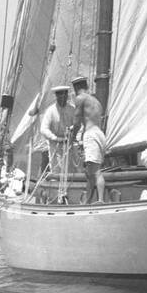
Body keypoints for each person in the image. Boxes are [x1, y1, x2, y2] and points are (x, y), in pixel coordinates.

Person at [69, 76, 107, 205]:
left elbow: (77, 121)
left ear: (75, 88)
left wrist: (72, 137)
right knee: (90, 173)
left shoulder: (80, 99)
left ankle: (100, 200)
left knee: (95, 171)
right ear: (87, 85)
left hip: (91, 135)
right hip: (100, 134)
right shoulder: (96, 101)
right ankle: (88, 201)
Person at [39, 84, 73, 175]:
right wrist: (55, 138)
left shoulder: (72, 109)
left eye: (65, 94)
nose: (63, 97)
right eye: (60, 94)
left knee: (70, 169)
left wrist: (72, 134)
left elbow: (78, 125)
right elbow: (43, 129)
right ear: (57, 96)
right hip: (55, 144)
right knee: (56, 169)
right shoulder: (51, 111)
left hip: (69, 143)